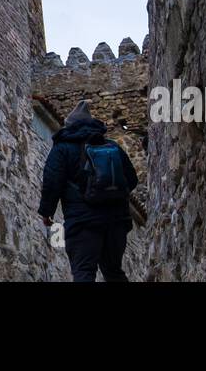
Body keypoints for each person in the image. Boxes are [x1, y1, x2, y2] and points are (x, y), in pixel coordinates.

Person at [38, 100, 139, 282]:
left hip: (82, 223)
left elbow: (52, 182)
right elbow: (132, 179)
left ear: (69, 126)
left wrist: (46, 212)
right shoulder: (112, 146)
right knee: (114, 271)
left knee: (84, 271)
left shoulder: (62, 149)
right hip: (116, 222)